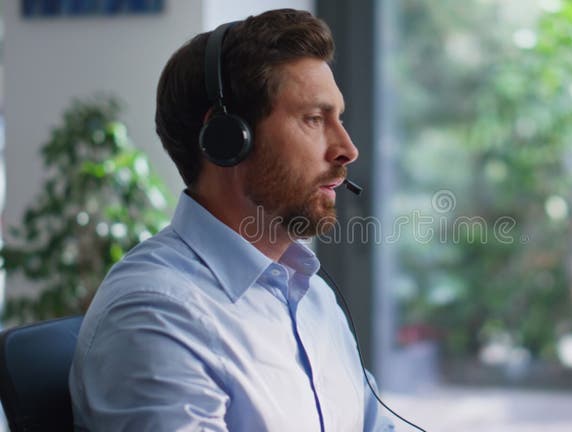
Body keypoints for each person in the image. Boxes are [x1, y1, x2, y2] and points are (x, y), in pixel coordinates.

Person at [69, 9, 394, 431]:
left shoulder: (312, 295)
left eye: (340, 119)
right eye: (314, 119)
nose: (347, 149)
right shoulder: (155, 315)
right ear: (227, 137)